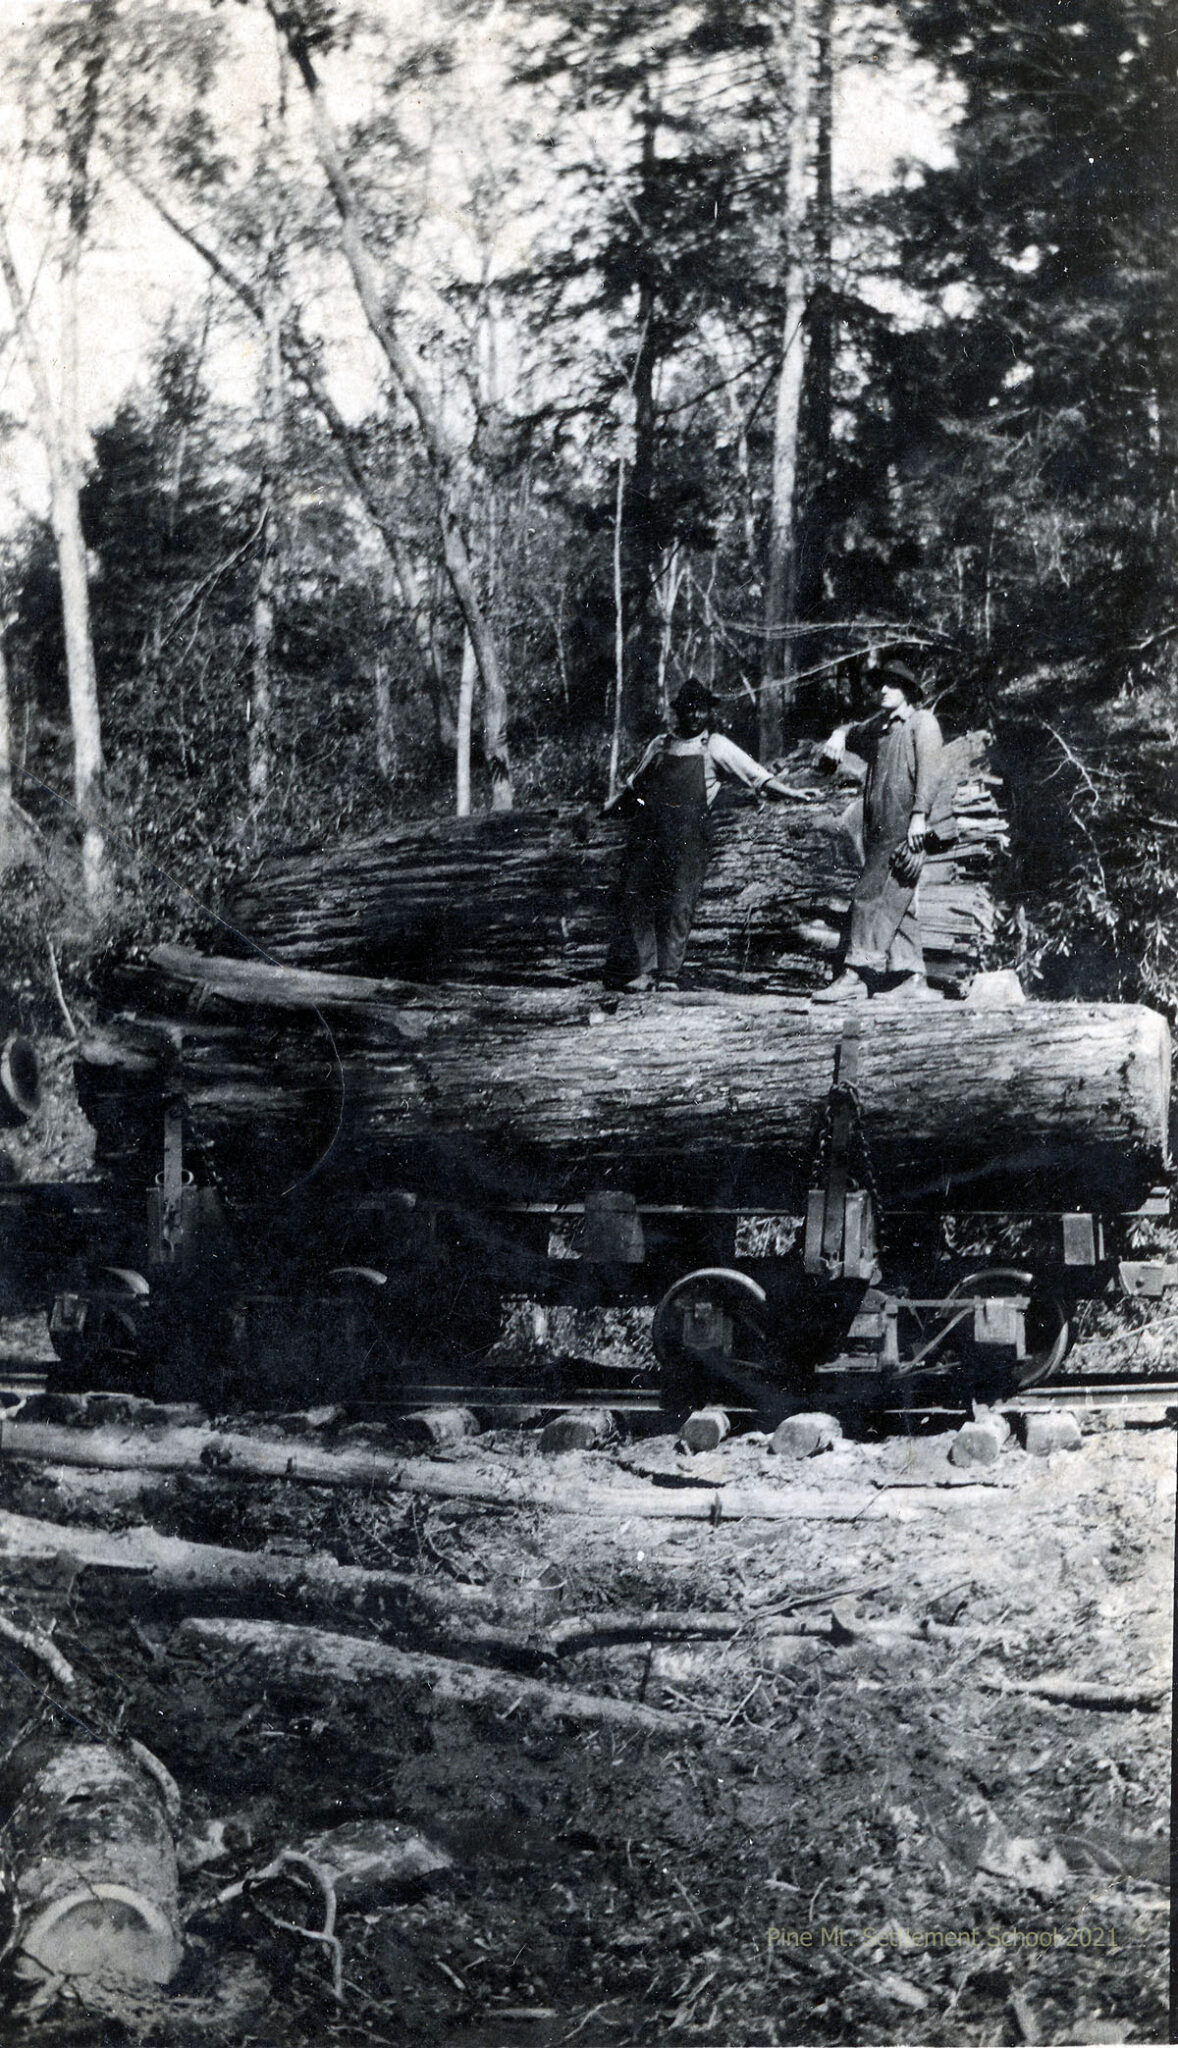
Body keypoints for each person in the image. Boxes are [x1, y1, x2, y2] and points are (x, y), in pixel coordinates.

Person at [603, 678, 806, 991]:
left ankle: (668, 975)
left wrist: (792, 792)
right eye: (688, 708)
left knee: (679, 902)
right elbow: (634, 785)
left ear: (708, 712)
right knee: (636, 897)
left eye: (700, 709)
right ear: (679, 711)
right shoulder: (660, 745)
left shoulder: (715, 746)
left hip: (688, 837)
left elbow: (757, 776)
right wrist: (609, 808)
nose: (694, 715)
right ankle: (645, 970)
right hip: (649, 833)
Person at [812, 659, 945, 1003]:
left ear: (910, 691)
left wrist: (919, 817)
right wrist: (839, 735)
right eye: (881, 683)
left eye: (893, 684)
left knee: (869, 895)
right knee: (898, 901)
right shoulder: (882, 727)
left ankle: (855, 975)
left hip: (904, 828)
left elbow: (931, 773)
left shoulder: (922, 723)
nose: (883, 689)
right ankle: (913, 980)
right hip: (879, 828)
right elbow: (853, 730)